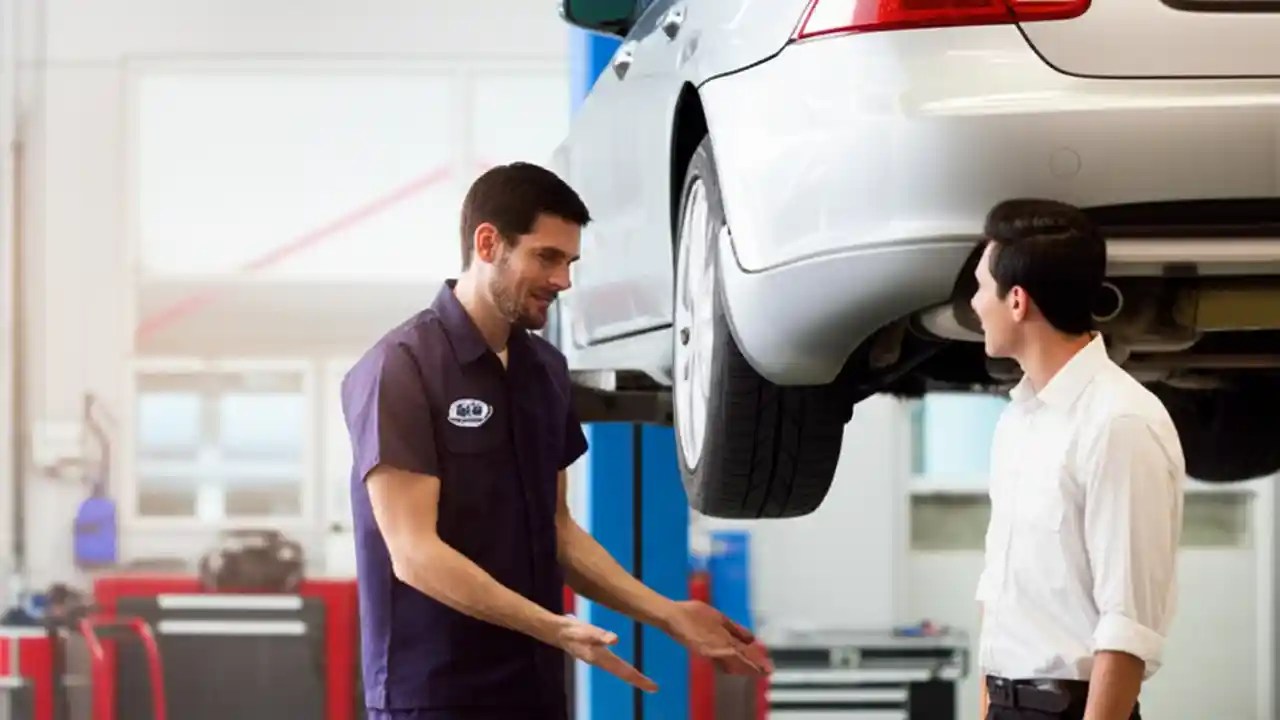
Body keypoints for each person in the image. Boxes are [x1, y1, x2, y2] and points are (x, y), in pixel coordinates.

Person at [340, 162, 771, 720]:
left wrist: (667, 614)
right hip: (433, 697)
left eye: (569, 262)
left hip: (534, 688)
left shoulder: (544, 370)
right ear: (488, 243)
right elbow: (414, 554)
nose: (563, 281)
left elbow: (557, 530)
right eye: (546, 257)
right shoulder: (399, 368)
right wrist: (557, 627)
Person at [968, 199, 1185, 720]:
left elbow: (1127, 627)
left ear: (1017, 301)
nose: (975, 304)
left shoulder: (1120, 422)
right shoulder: (1017, 421)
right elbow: (1001, 610)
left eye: (980, 287)